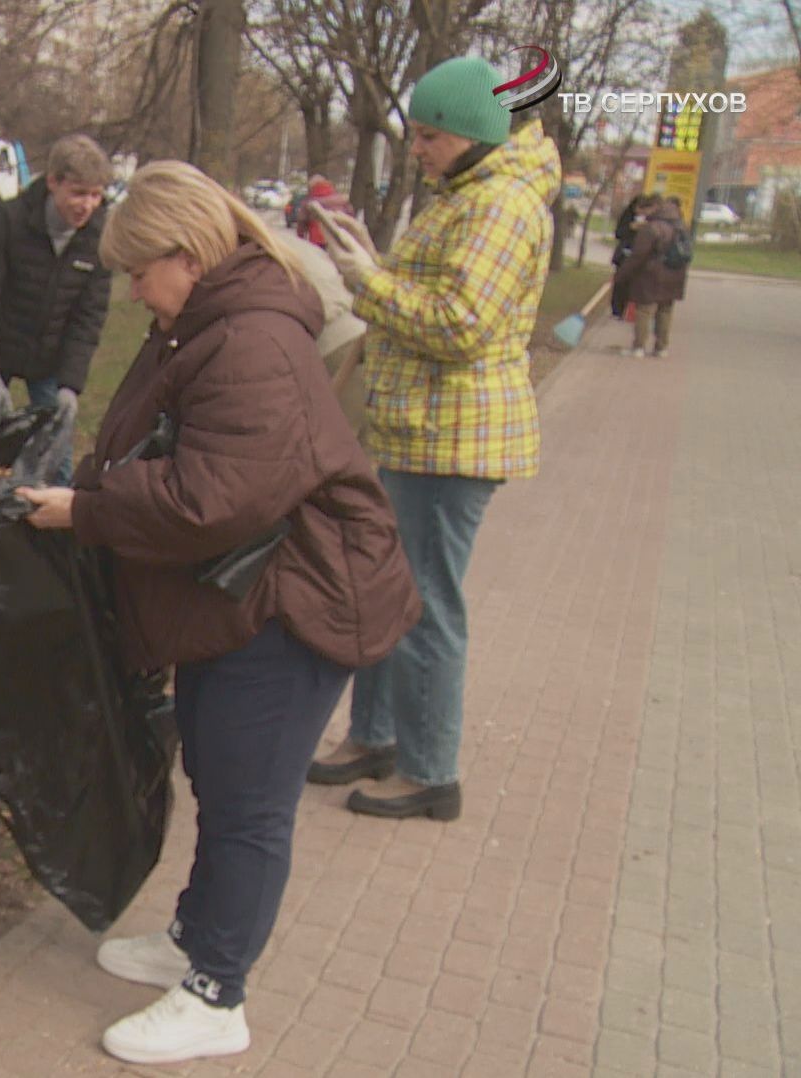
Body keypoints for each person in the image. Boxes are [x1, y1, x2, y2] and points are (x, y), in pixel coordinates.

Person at [15, 160, 419, 1065]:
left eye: (136, 270)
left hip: (291, 605)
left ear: (188, 255)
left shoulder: (250, 341)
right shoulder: (205, 323)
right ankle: (195, 938)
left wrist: (88, 510)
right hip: (240, 596)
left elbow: (212, 498)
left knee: (248, 804)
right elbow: (164, 450)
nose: (130, 291)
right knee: (219, 773)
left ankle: (217, 995)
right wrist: (90, 487)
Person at [308, 55, 559, 821]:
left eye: (428, 137)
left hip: (453, 442)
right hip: (418, 431)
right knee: (393, 591)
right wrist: (369, 258)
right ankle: (376, 736)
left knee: (424, 604)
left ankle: (429, 773)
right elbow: (436, 293)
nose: (417, 150)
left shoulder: (502, 207)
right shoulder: (467, 194)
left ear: (472, 133)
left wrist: (367, 283)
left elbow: (461, 324)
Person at [0, 133, 115, 486]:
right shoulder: (7, 221)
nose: (87, 205)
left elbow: (88, 319)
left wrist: (70, 386)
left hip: (51, 360)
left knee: (57, 450)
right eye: (78, 192)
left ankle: (56, 530)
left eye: (96, 194)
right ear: (53, 183)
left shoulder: (99, 238)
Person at [614, 194, 688, 358]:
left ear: (652, 208)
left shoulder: (651, 228)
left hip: (651, 276)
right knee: (665, 311)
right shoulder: (680, 224)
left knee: (644, 310)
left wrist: (621, 274)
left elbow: (638, 256)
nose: (642, 215)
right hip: (675, 275)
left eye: (644, 210)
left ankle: (638, 347)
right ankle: (661, 348)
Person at [610, 192, 645, 316]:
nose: (640, 212)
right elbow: (618, 233)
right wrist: (631, 228)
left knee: (634, 284)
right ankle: (617, 310)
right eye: (638, 208)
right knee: (620, 283)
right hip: (624, 254)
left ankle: (631, 311)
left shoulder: (649, 220)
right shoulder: (627, 216)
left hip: (639, 255)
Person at [295, 175, 351, 248]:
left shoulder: (309, 203)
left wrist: (300, 238)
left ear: (312, 187)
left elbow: (301, 222)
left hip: (317, 240)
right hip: (337, 237)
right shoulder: (342, 200)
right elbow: (350, 218)